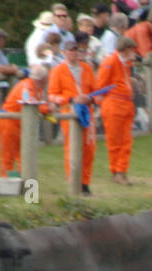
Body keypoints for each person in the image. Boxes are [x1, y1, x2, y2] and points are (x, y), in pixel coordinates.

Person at [48, 38, 97, 194]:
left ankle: (85, 183)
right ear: (64, 52)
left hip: (87, 110)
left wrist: (90, 98)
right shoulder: (58, 71)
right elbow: (52, 95)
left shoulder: (87, 69)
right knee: (72, 147)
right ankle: (73, 182)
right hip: (69, 111)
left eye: (76, 49)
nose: (74, 53)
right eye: (70, 50)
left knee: (89, 148)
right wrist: (70, 99)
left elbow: (96, 91)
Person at [97, 35, 137, 182]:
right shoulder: (110, 61)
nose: (134, 53)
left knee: (126, 141)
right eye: (132, 49)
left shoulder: (125, 63)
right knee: (114, 141)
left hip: (126, 105)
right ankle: (116, 171)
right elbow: (101, 85)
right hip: (114, 104)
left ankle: (122, 170)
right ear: (126, 49)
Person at [0, 64, 50, 175]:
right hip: (9, 122)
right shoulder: (26, 87)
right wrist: (49, 109)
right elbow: (31, 104)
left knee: (24, 156)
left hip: (21, 125)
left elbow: (41, 106)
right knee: (8, 156)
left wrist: (47, 109)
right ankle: (8, 184)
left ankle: (25, 183)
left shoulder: (38, 89)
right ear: (43, 79)